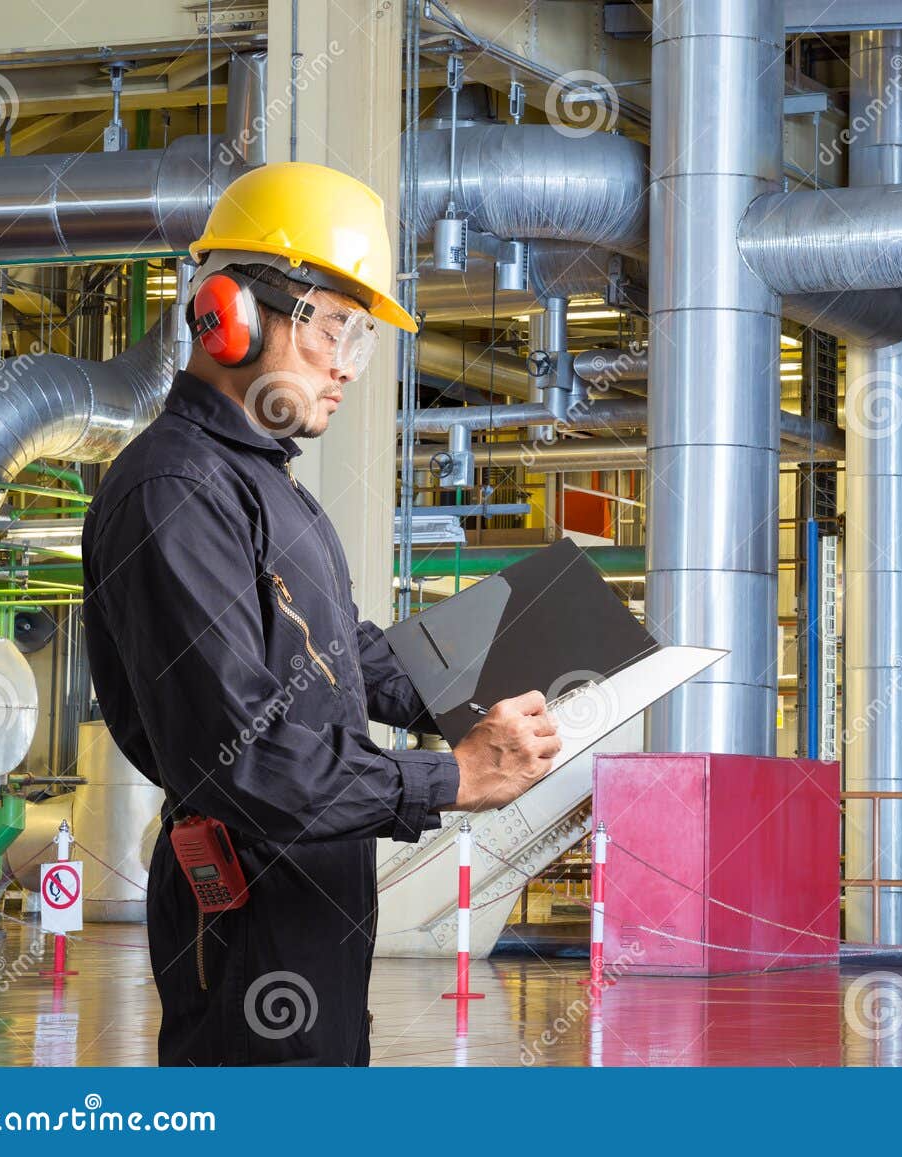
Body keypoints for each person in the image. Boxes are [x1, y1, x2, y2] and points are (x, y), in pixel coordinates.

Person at [80, 162, 559, 1065]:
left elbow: (343, 659)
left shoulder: (268, 488)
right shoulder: (175, 492)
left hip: (316, 899)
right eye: (331, 328)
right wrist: (449, 776)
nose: (346, 366)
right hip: (246, 913)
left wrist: (506, 661)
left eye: (359, 339)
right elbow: (245, 755)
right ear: (231, 315)